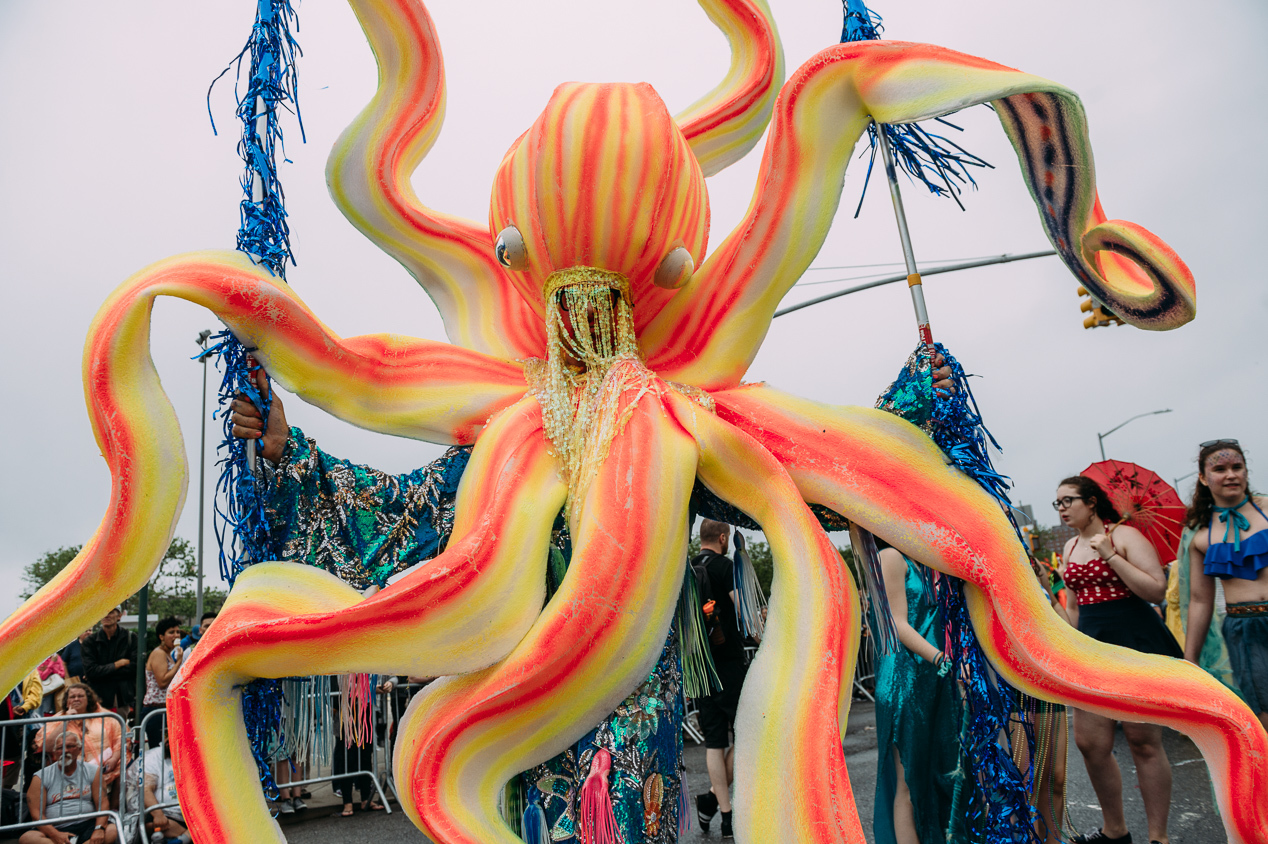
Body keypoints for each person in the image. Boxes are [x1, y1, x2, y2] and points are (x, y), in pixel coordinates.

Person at [1054, 475, 1177, 844]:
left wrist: (1109, 554)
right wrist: (1069, 645)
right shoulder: (1070, 547)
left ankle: (1158, 837)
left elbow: (1155, 590)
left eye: (1068, 500)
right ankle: (1115, 831)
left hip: (1133, 641)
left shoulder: (1124, 537)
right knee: (1091, 744)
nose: (1062, 509)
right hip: (1091, 647)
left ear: (1092, 502)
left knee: (1142, 740)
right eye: (1056, 503)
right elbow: (1073, 607)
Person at [873, 543, 964, 844]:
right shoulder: (891, 557)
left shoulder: (927, 561)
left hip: (933, 679)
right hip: (904, 681)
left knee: (939, 772)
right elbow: (896, 623)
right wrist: (942, 659)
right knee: (908, 781)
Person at [1182, 439, 1268, 732]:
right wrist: (1190, 659)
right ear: (1204, 478)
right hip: (1244, 631)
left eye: (1237, 467)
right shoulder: (1200, 534)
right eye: (1220, 469)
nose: (1231, 474)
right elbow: (1200, 600)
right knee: (1263, 718)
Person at [692, 519, 746, 840]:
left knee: (714, 741)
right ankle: (713, 798)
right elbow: (743, 611)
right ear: (723, 537)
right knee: (747, 732)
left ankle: (722, 812)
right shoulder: (726, 566)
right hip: (728, 664)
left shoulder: (685, 569)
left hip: (700, 667)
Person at [19, 731, 117, 844]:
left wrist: (99, 829)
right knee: (27, 838)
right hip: (54, 827)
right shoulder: (40, 777)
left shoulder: (93, 771)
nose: (65, 751)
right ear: (55, 753)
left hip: (86, 824)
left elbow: (102, 803)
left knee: (111, 830)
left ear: (79, 749)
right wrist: (55, 834)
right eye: (60, 748)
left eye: (70, 746)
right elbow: (37, 815)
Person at [34, 684, 124, 800]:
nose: (76, 699)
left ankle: (112, 811)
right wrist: (66, 720)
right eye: (72, 697)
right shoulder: (58, 719)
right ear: (67, 702)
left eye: (80, 696)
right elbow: (47, 746)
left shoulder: (105, 716)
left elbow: (120, 740)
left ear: (88, 700)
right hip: (70, 771)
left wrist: (114, 758)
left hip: (107, 768)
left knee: (124, 770)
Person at [81, 609, 138, 720]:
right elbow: (91, 671)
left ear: (119, 616)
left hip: (123, 698)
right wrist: (117, 664)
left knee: (121, 733)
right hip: (97, 698)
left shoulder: (130, 638)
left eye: (111, 611)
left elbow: (134, 668)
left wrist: (101, 672)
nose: (106, 615)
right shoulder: (89, 642)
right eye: (104, 610)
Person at [140, 618, 184, 749]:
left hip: (164, 708)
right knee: (159, 751)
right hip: (156, 709)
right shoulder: (159, 653)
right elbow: (162, 681)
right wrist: (178, 663)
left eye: (177, 632)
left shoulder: (168, 654)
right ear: (161, 637)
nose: (176, 635)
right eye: (171, 632)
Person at [143, 737, 190, 844]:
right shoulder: (152, 758)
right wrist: (158, 814)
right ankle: (189, 836)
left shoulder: (191, 755)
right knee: (158, 826)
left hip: (191, 815)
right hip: (167, 814)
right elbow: (146, 790)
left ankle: (186, 837)